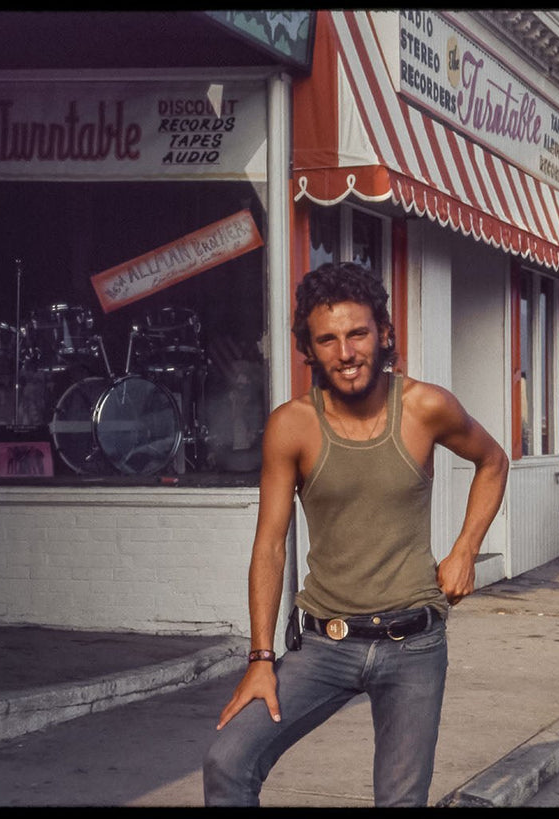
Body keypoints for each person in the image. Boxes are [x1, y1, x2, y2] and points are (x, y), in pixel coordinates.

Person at [203, 262, 508, 806]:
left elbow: (493, 461)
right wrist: (259, 659)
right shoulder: (291, 425)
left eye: (357, 334)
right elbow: (270, 544)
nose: (345, 353)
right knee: (228, 762)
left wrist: (465, 550)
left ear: (384, 333)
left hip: (413, 643)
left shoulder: (425, 407)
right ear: (310, 349)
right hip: (325, 643)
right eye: (328, 339)